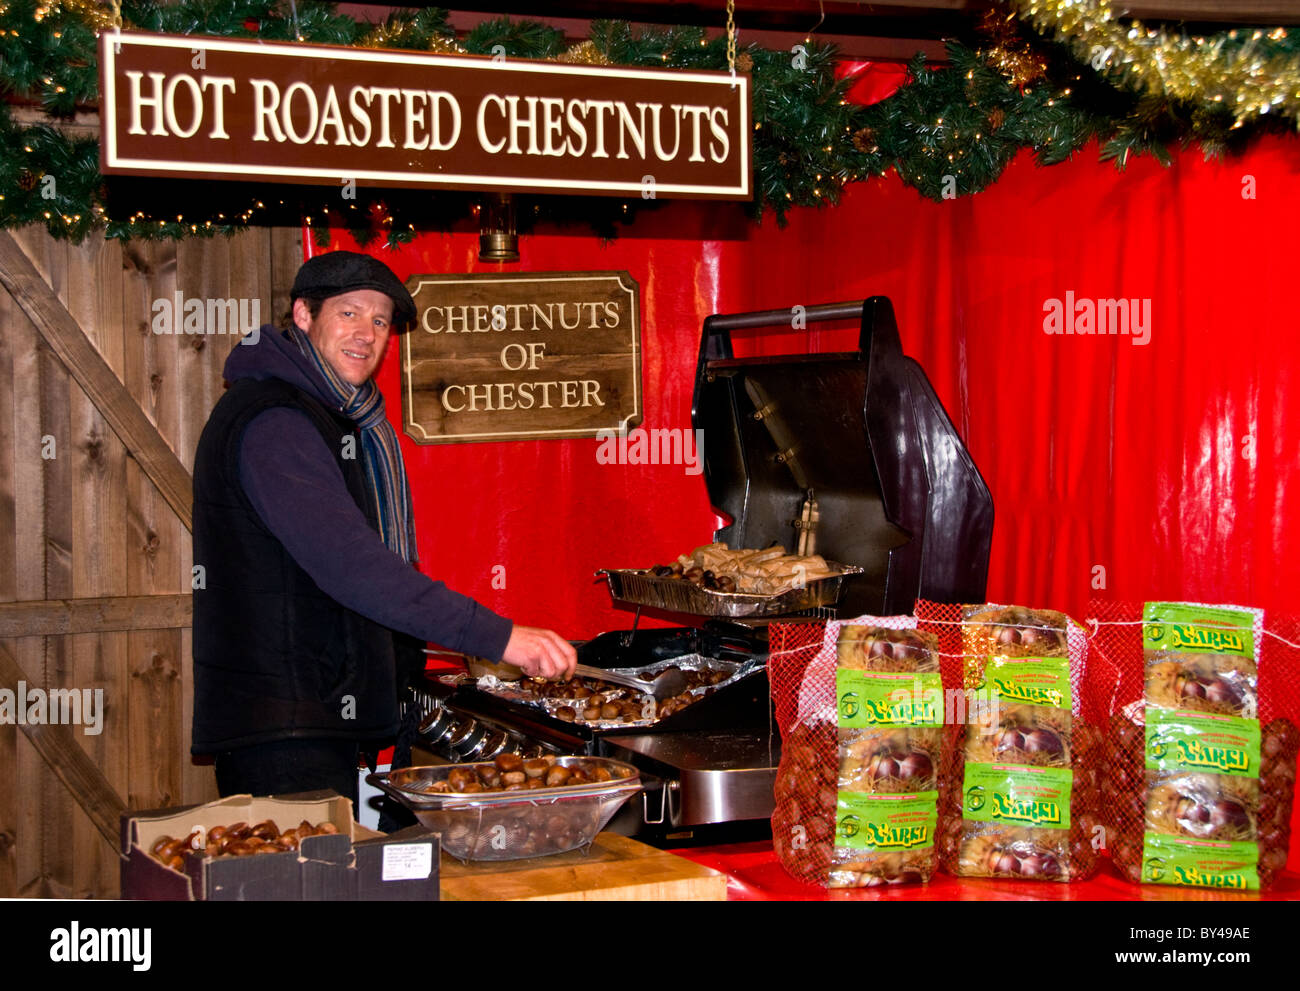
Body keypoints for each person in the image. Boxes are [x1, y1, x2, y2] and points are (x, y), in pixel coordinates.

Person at [191, 251, 576, 808]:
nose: (366, 335)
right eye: (349, 313)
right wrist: (501, 638)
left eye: (379, 322)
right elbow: (355, 568)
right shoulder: (276, 421)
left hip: (324, 711)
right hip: (286, 727)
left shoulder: (339, 415)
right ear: (303, 314)